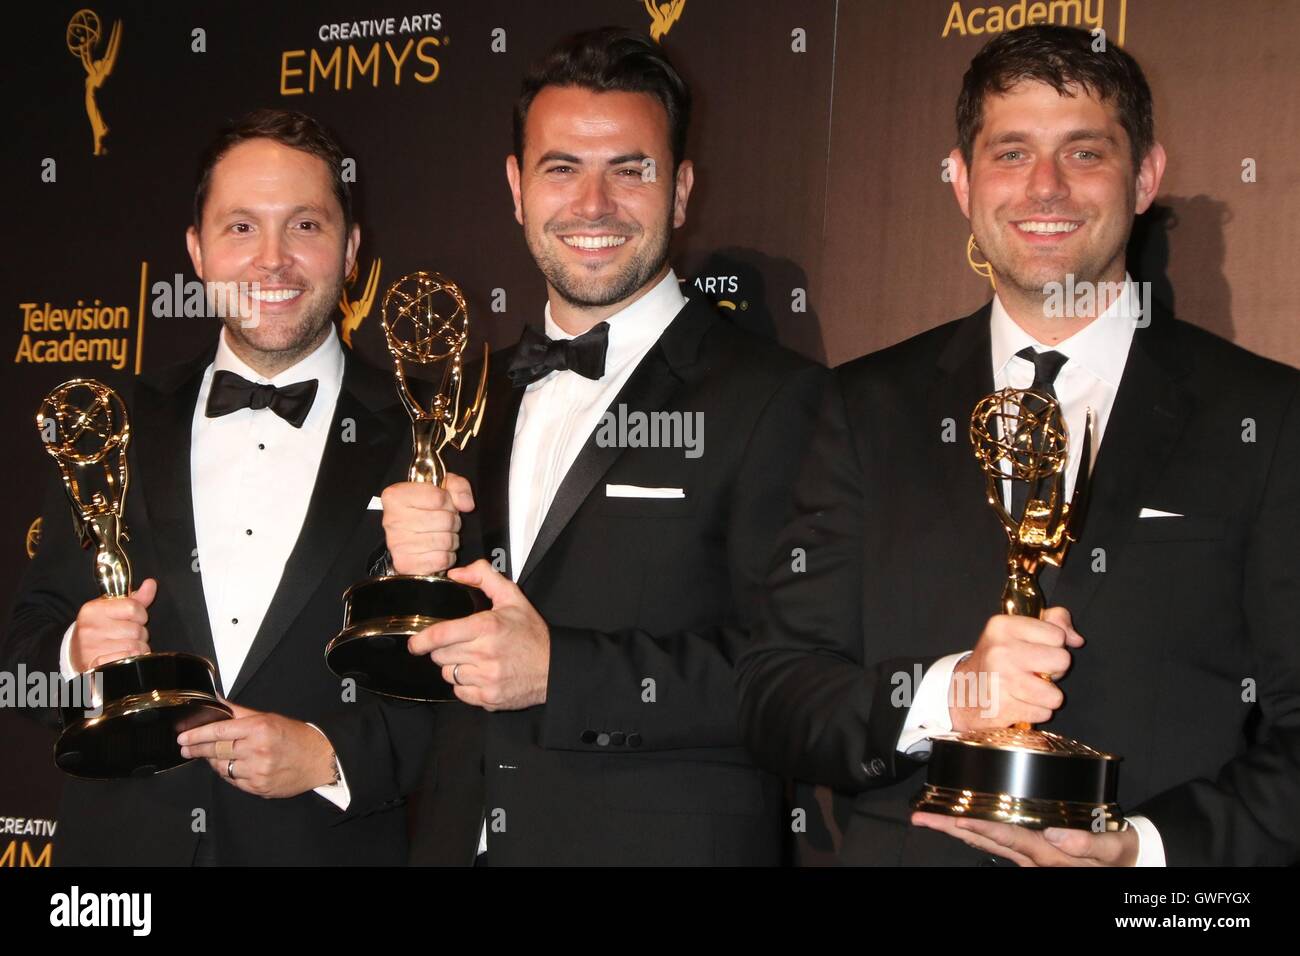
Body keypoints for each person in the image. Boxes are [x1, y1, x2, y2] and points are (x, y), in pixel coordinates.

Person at [737, 24, 1300, 866]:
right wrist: (945, 696)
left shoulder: (1267, 416)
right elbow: (779, 695)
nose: (1046, 188)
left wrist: (1144, 853)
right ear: (961, 181)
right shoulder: (865, 406)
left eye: (1084, 152)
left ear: (1145, 176)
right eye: (1010, 153)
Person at [385, 27, 825, 865]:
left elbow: (800, 677)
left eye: (630, 169)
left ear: (682, 189)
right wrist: (403, 573)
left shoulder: (775, 397)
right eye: (561, 168)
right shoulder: (465, 394)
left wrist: (564, 673)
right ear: (516, 188)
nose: (593, 205)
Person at [2, 108, 453, 865]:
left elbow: (468, 683)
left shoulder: (427, 436)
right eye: (240, 227)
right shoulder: (115, 428)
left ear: (351, 251)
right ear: (197, 251)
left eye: (305, 226)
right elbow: (23, 659)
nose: (271, 260)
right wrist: (76, 657)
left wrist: (326, 754)